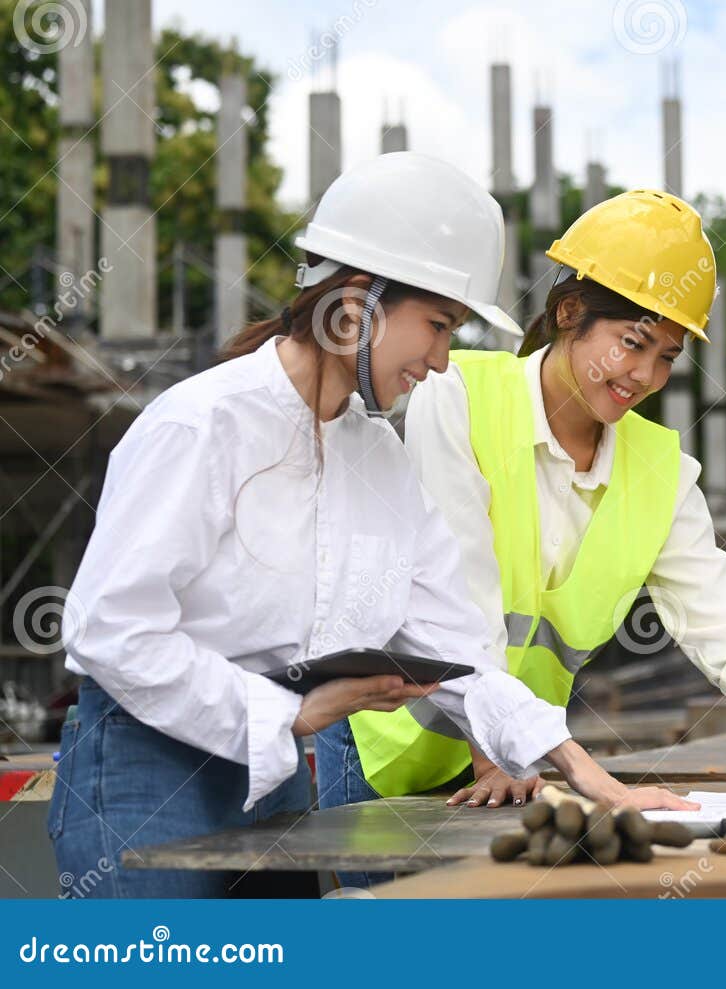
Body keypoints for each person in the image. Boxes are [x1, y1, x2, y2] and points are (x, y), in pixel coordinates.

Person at [48, 152, 603, 897]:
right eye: (437, 326)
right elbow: (112, 629)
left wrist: (584, 770)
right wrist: (295, 711)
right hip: (147, 768)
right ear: (354, 306)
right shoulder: (201, 424)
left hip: (272, 772)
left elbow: (457, 647)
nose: (442, 362)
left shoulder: (378, 457)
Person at [316, 190, 726, 817]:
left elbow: (720, 628)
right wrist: (500, 754)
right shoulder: (457, 395)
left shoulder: (662, 471)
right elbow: (461, 595)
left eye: (667, 357)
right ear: (570, 313)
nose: (645, 376)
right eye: (632, 342)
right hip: (380, 737)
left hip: (518, 756)